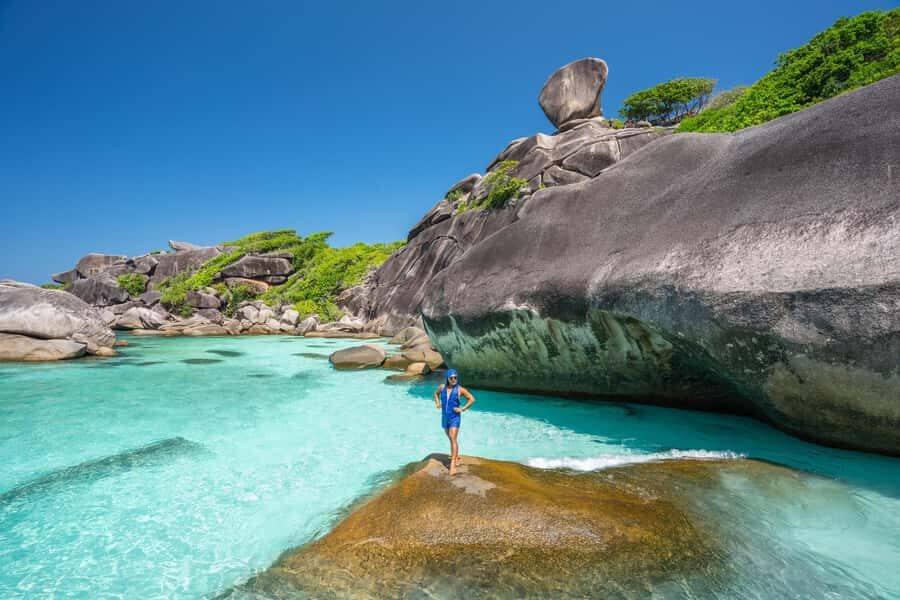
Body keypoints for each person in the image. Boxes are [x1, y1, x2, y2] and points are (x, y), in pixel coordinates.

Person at [433, 369, 475, 476]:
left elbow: (471, 399)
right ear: (447, 378)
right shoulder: (442, 387)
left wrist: (462, 409)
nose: (454, 380)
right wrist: (438, 404)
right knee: (451, 438)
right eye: (451, 378)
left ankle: (452, 465)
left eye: (455, 377)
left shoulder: (460, 389)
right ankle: (456, 456)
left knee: (452, 438)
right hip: (445, 417)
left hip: (454, 417)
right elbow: (436, 394)